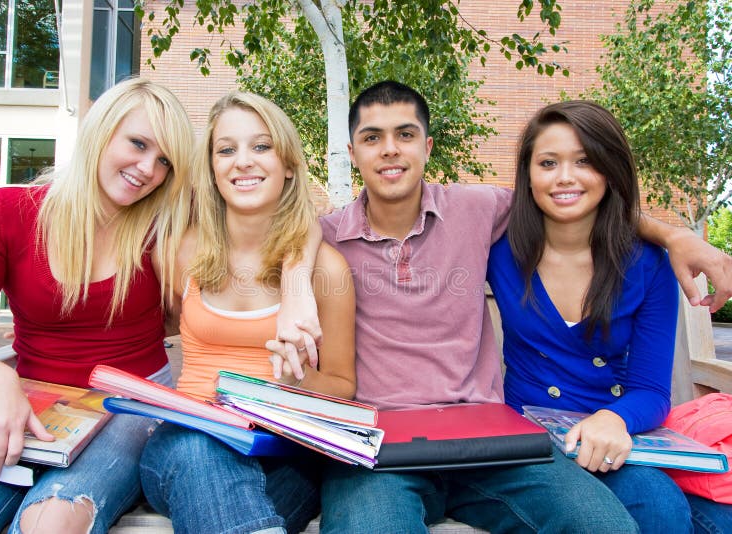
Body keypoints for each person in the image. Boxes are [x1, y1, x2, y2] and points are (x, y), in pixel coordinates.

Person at [264, 80, 732, 533]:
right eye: (372, 137)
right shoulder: (327, 235)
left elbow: (574, 199)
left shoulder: (478, 208)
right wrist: (297, 284)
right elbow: (294, 234)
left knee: (601, 523)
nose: (390, 149)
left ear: (427, 148)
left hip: (488, 441)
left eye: (405, 134)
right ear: (353, 153)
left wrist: (674, 235)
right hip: (375, 446)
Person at [0, 78, 320, 534]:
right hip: (26, 401)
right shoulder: (6, 213)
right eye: (137, 144)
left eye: (164, 161)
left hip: (130, 411)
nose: (146, 169)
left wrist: (297, 289)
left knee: (51, 521)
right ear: (102, 130)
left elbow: (290, 215)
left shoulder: (169, 222)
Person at [487, 100, 732, 534]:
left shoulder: (646, 265)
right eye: (548, 162)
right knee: (659, 509)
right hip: (528, 436)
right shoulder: (498, 250)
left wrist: (614, 418)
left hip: (615, 434)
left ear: (609, 169)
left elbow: (652, 390)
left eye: (585, 161)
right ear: (528, 174)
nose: (565, 177)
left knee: (672, 509)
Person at [139, 92, 356, 534]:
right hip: (187, 441)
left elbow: (343, 387)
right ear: (212, 168)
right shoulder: (182, 252)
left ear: (288, 164)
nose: (243, 161)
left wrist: (300, 381)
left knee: (237, 498)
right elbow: (149, 329)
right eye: (226, 149)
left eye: (261, 147)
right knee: (203, 456)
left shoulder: (325, 268)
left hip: (281, 451)